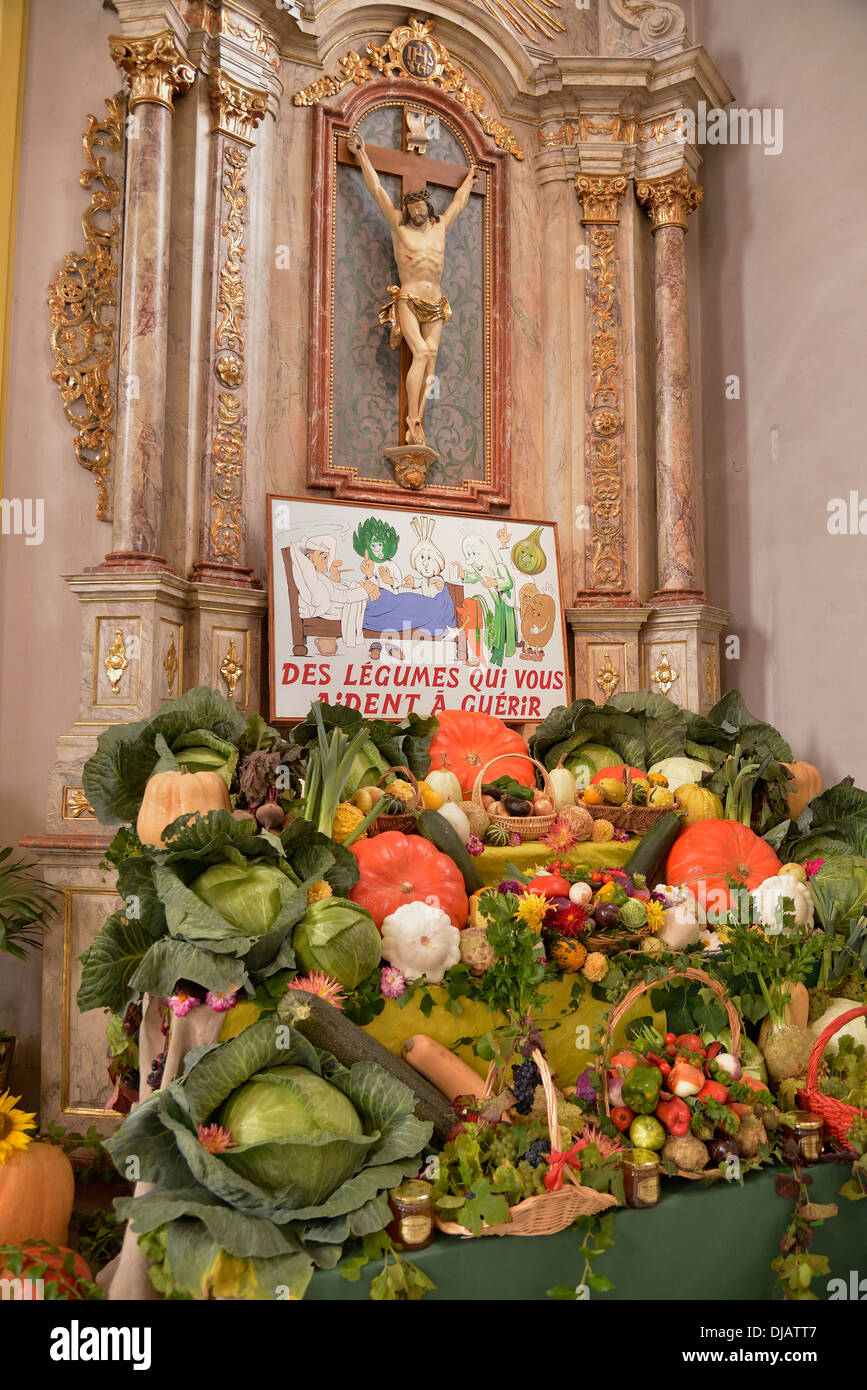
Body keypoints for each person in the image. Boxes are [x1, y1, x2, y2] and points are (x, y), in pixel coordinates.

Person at [347, 131, 477, 446]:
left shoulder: (440, 226)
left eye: (422, 208)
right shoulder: (398, 226)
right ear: (408, 211)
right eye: (413, 209)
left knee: (430, 354)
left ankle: (420, 420)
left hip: (436, 301)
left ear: (428, 209)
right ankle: (412, 419)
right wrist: (362, 154)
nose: (418, 213)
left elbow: (459, 202)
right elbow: (376, 189)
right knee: (419, 351)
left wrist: (472, 176)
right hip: (408, 296)